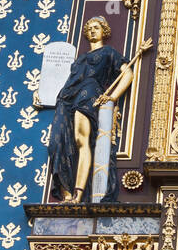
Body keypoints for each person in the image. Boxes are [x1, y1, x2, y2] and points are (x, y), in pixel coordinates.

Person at [47, 17, 128, 203]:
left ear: (104, 31)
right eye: (89, 28)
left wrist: (112, 97)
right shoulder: (81, 58)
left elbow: (128, 74)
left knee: (80, 139)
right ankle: (66, 190)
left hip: (89, 94)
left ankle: (78, 194)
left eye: (96, 27)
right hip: (67, 98)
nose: (92, 31)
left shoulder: (109, 52)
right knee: (57, 141)